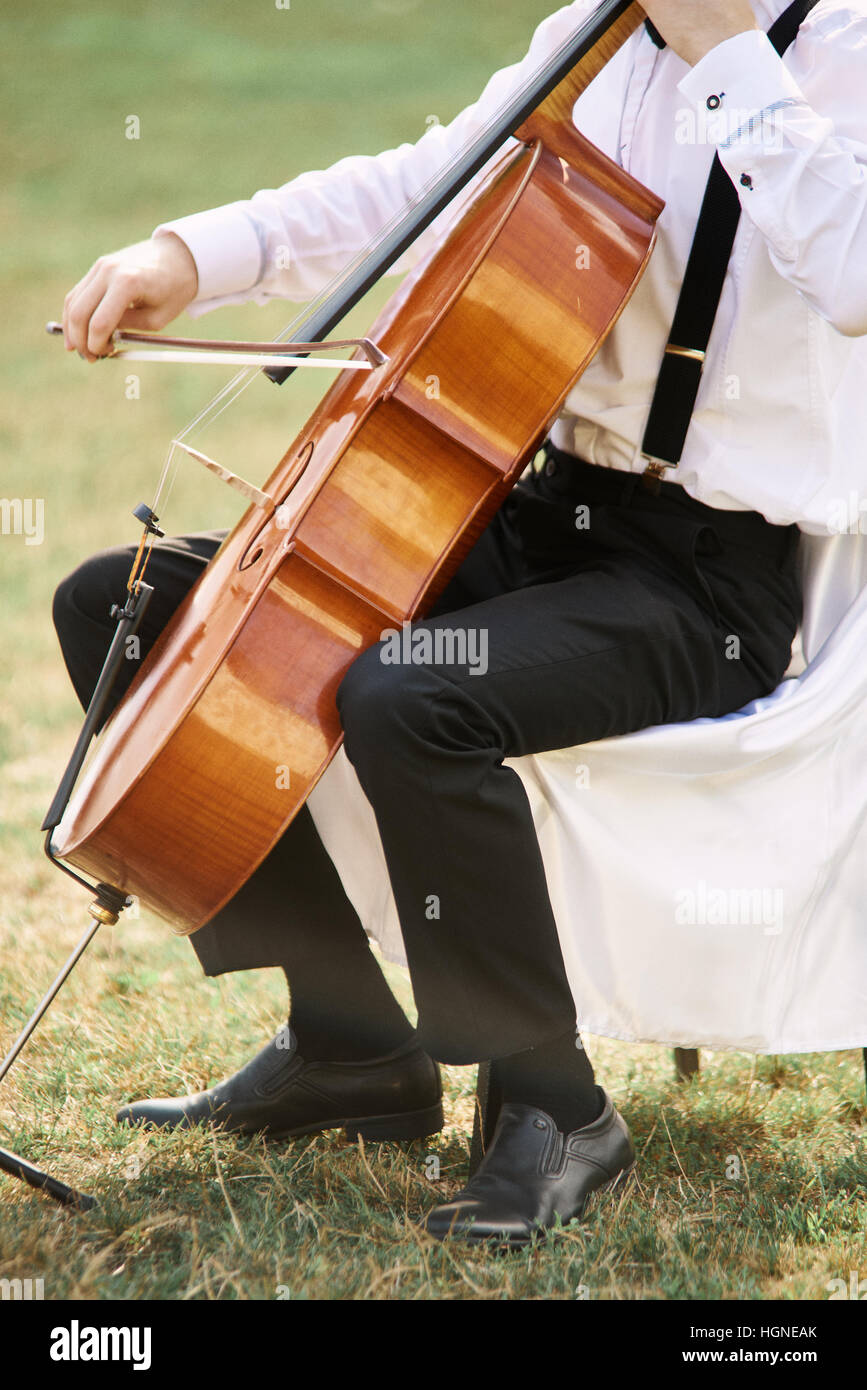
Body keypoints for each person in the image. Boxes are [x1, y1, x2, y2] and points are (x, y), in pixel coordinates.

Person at [54, 0, 867, 1245]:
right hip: (537, 508)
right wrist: (198, 253)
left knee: (414, 693)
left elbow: (854, 267)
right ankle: (352, 1047)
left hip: (706, 581)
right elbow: (426, 181)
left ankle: (555, 1100)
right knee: (126, 608)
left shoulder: (843, 48)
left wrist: (727, 56)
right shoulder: (595, 38)